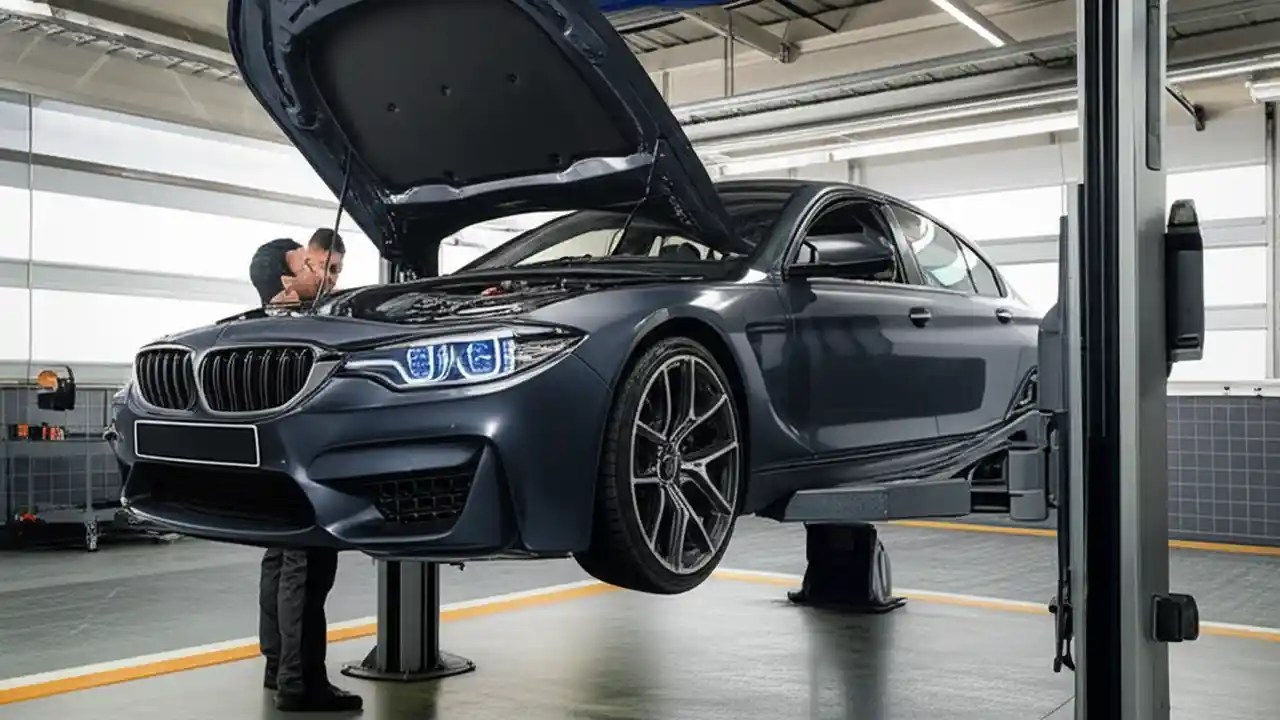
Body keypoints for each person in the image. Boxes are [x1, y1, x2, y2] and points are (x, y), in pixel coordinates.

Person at [249, 228, 361, 713]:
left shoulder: (264, 322)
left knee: (280, 560)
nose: (328, 279)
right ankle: (301, 682)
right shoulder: (296, 324)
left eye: (334, 271)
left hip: (270, 457)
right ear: (290, 278)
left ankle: (278, 665)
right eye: (318, 268)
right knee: (308, 565)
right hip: (301, 456)